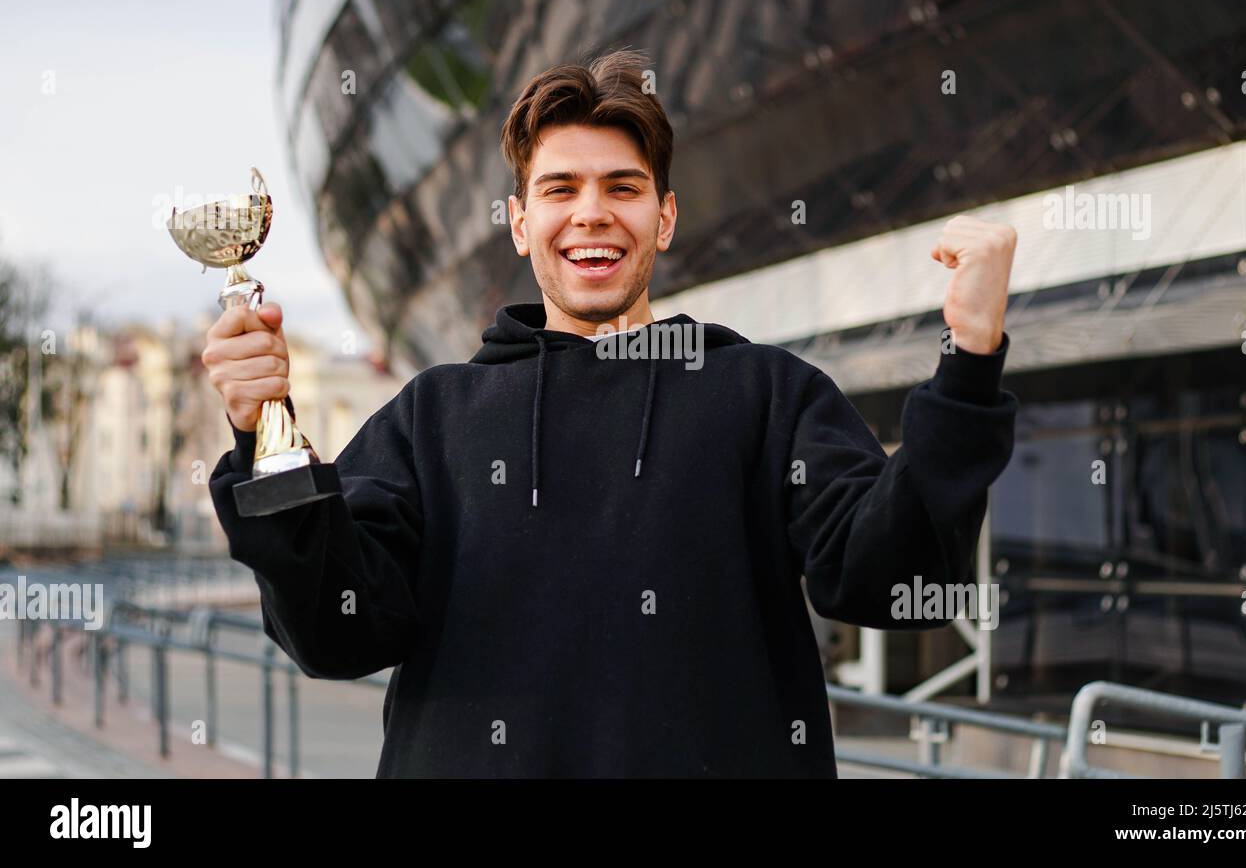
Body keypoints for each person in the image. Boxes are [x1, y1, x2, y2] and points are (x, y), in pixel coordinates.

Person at [202, 48, 1019, 777]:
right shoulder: (432, 416)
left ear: (663, 217)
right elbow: (336, 634)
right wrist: (263, 437)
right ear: (522, 225)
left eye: (622, 188)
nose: (591, 212)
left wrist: (969, 366)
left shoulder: (767, 394)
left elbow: (897, 581)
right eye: (560, 189)